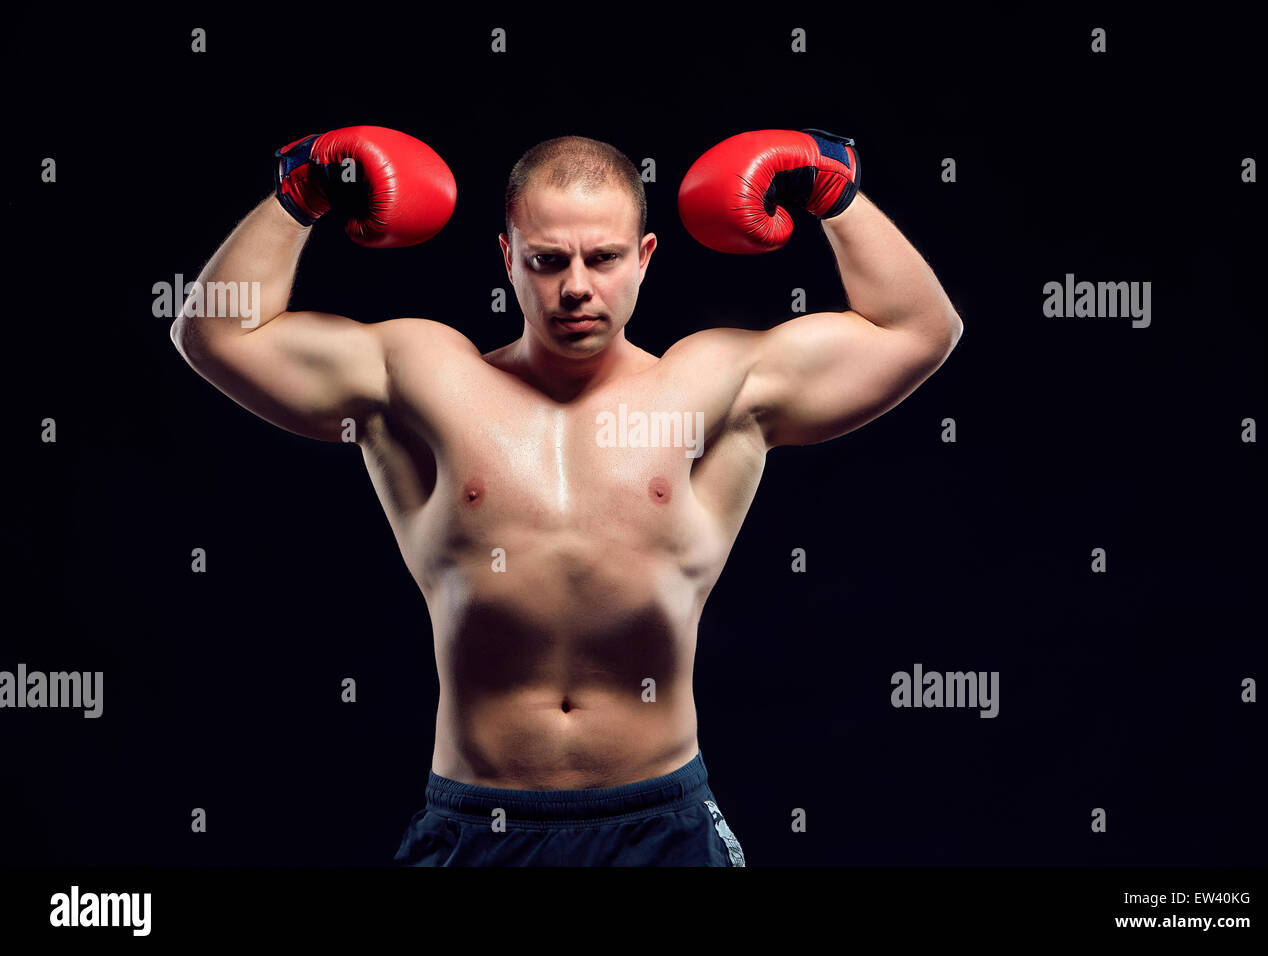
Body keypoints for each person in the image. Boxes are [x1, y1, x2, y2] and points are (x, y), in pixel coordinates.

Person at [169, 125, 963, 866]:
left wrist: (835, 188)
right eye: (547, 260)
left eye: (605, 258)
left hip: (664, 821)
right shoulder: (424, 377)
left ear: (646, 257)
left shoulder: (715, 384)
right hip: (477, 821)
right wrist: (297, 192)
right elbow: (211, 332)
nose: (576, 288)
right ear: (507, 257)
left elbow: (920, 330)